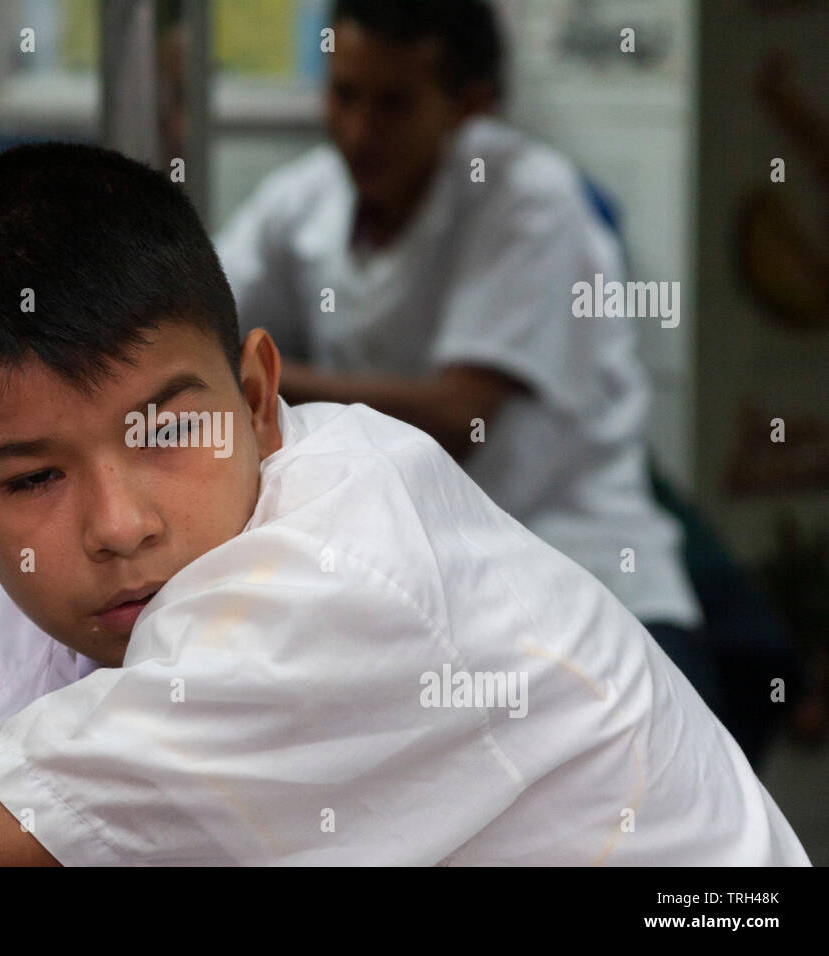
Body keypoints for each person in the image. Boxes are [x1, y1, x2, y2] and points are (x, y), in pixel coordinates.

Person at [0, 143, 809, 865]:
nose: (120, 520)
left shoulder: (326, 574)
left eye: (172, 430)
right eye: (33, 475)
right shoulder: (14, 605)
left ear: (261, 398)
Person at [214, 0, 718, 711]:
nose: (359, 132)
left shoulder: (529, 202)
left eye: (394, 104)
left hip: (582, 577)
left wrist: (255, 376)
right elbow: (196, 317)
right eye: (344, 95)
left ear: (468, 107)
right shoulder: (307, 201)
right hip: (418, 587)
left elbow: (456, 415)